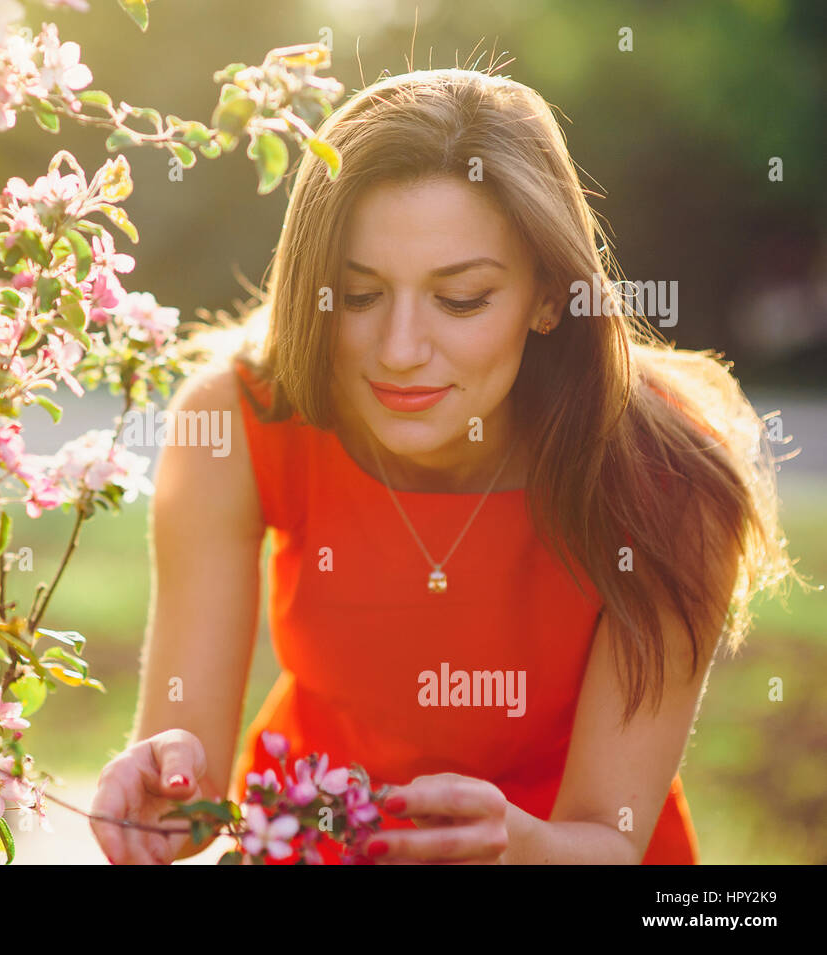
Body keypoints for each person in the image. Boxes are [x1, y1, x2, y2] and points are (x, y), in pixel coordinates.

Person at [88, 67, 801, 865]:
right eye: (356, 296)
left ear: (549, 296)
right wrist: (163, 787)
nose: (398, 351)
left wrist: (515, 846)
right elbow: (189, 787)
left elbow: (608, 836)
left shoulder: (671, 474)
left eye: (460, 299)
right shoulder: (235, 420)